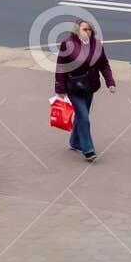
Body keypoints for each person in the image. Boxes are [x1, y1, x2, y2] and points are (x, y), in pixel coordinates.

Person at [53, 17, 115, 162]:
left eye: (89, 29)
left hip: (89, 87)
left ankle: (74, 142)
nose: (87, 31)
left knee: (81, 116)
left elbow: (104, 65)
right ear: (77, 30)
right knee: (84, 119)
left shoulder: (97, 45)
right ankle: (88, 150)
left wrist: (110, 82)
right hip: (73, 87)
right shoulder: (67, 44)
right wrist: (60, 89)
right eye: (84, 29)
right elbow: (61, 67)